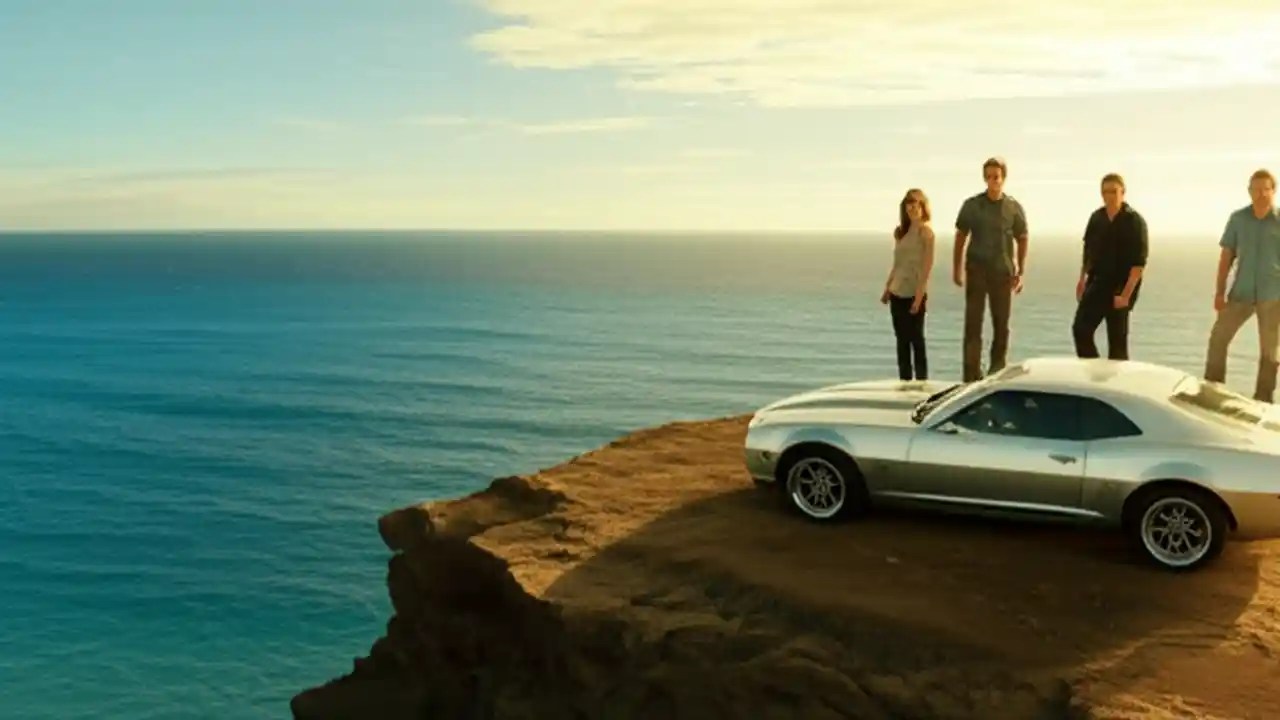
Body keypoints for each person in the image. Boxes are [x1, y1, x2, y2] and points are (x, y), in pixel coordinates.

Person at [1204, 168, 1280, 403]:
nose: (1260, 194)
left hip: (1273, 294)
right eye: (1255, 189)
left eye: (1265, 189)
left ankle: (1263, 399)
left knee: (1270, 353)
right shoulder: (1238, 219)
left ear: (1273, 191)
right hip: (1241, 293)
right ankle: (1212, 390)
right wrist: (1219, 292)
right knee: (1218, 338)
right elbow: (1226, 257)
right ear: (1249, 191)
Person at [953, 157, 1029, 382]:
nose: (992, 180)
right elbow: (960, 236)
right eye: (988, 176)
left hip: (1002, 272)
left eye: (996, 176)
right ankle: (970, 376)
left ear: (1003, 178)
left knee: (1001, 325)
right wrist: (956, 269)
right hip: (977, 270)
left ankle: (997, 373)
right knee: (973, 325)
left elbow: (1023, 237)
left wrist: (1021, 271)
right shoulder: (972, 205)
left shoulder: (1013, 207)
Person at [1072, 173, 1148, 360]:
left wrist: (1125, 295)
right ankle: (1094, 372)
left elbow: (1138, 264)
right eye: (1105, 192)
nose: (1110, 196)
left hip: (1121, 286)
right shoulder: (1096, 218)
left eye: (1114, 191)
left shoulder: (1134, 221)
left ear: (1123, 193)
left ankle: (1117, 384)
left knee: (1117, 344)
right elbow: (1088, 251)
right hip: (1097, 282)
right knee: (1080, 330)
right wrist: (1082, 280)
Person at [881, 188, 935, 380]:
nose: (912, 209)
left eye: (915, 205)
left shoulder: (926, 234)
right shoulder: (900, 232)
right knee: (901, 341)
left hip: (914, 294)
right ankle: (904, 381)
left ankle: (921, 383)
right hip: (897, 292)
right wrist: (887, 288)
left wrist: (919, 298)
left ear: (922, 207)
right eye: (908, 206)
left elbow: (927, 268)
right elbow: (897, 263)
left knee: (917, 340)